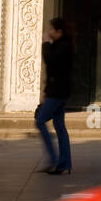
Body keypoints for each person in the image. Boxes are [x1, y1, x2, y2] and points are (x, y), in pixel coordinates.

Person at [35, 18, 73, 175]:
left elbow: (49, 61)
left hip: (57, 92)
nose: (49, 32)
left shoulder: (62, 46)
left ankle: (54, 159)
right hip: (57, 91)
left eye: (52, 30)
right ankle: (64, 163)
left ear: (59, 32)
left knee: (40, 121)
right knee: (59, 126)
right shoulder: (60, 45)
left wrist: (45, 43)